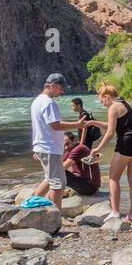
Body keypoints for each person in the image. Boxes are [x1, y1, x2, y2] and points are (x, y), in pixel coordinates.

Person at [87, 82, 132, 223]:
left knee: (113, 177)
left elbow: (110, 133)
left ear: (107, 96)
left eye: (102, 101)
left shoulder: (113, 107)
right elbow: (114, 124)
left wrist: (97, 148)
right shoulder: (126, 104)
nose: (103, 104)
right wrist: (95, 123)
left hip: (126, 142)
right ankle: (131, 215)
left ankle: (115, 212)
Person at [29, 73, 88, 208]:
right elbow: (55, 125)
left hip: (43, 146)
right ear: (52, 85)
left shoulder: (37, 100)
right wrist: (78, 125)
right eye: (61, 88)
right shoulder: (49, 102)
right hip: (49, 148)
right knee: (58, 183)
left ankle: (33, 205)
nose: (62, 91)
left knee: (50, 179)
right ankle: (56, 216)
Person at [62, 131, 101, 196]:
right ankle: (53, 195)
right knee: (56, 171)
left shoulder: (79, 149)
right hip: (84, 183)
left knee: (59, 172)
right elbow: (58, 162)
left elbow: (62, 167)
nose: (66, 147)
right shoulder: (70, 150)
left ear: (74, 140)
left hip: (90, 187)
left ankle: (50, 198)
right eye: (63, 145)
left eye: (67, 143)